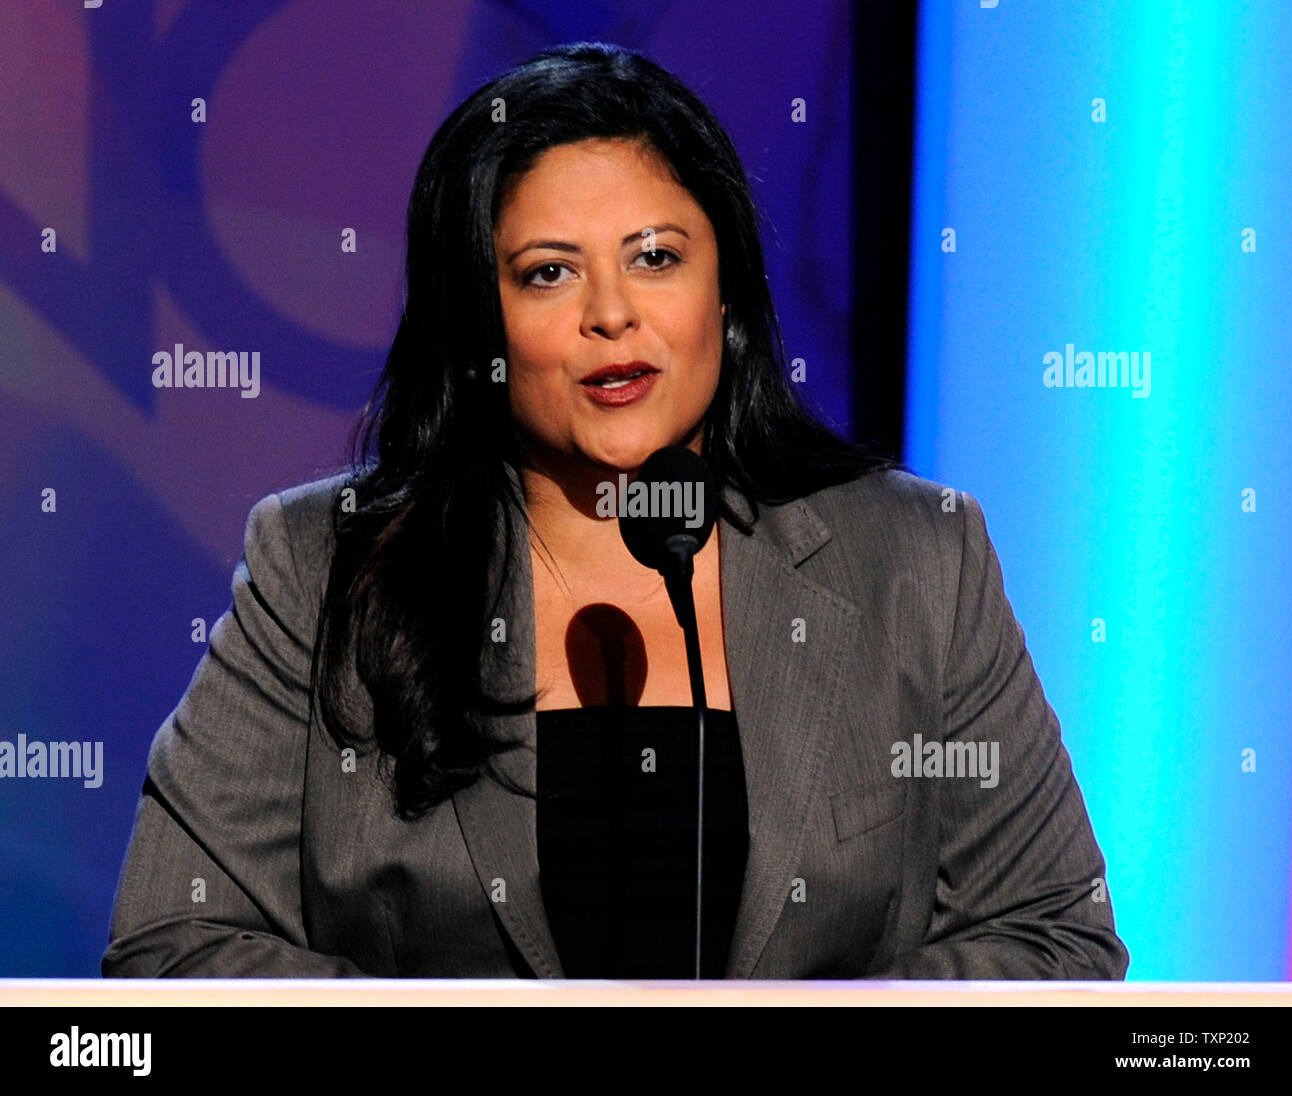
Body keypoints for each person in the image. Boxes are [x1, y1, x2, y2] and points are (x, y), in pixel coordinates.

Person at [102, 42, 1128, 980]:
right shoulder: (321, 564)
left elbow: (1054, 937)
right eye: (548, 273)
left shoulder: (914, 558)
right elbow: (172, 946)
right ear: (476, 320)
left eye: (656, 257)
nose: (611, 314)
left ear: (724, 295)